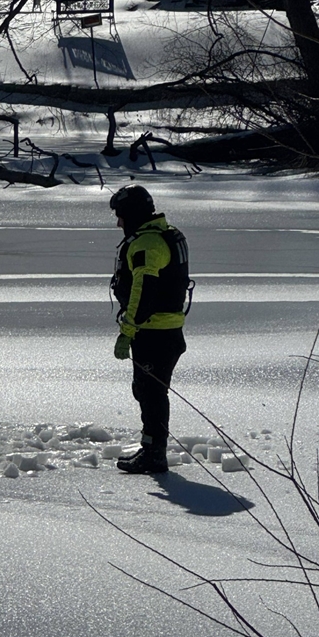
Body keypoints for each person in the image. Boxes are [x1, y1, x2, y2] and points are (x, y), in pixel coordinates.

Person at [109, 184, 191, 475]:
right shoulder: (163, 234)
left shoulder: (147, 244)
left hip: (153, 332)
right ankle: (151, 447)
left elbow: (142, 296)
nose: (118, 222)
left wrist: (126, 333)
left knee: (151, 393)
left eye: (120, 216)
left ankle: (155, 454)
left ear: (131, 215)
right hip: (166, 330)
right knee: (148, 391)